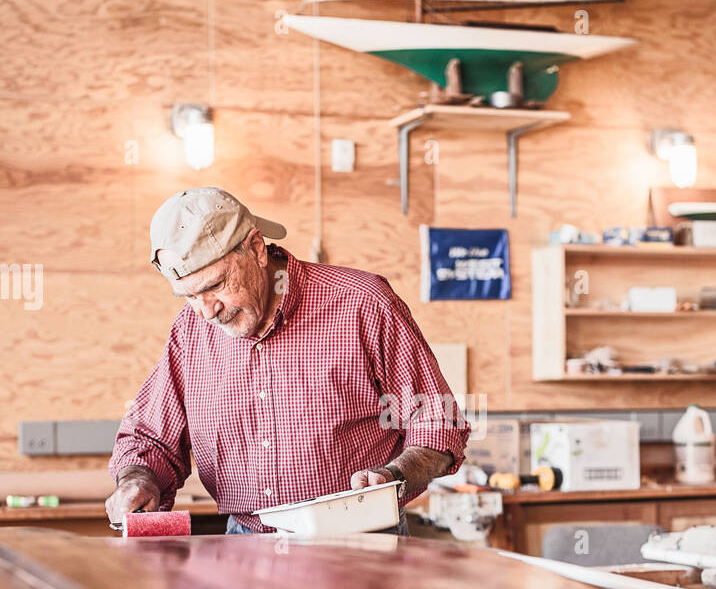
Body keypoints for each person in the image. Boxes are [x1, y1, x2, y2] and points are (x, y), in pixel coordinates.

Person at [106, 187, 469, 535]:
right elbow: (151, 437)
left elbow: (437, 419)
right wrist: (137, 480)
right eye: (189, 296)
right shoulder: (191, 330)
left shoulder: (362, 304)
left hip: (360, 538)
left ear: (256, 248)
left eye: (215, 285)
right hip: (246, 543)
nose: (207, 311)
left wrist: (393, 477)